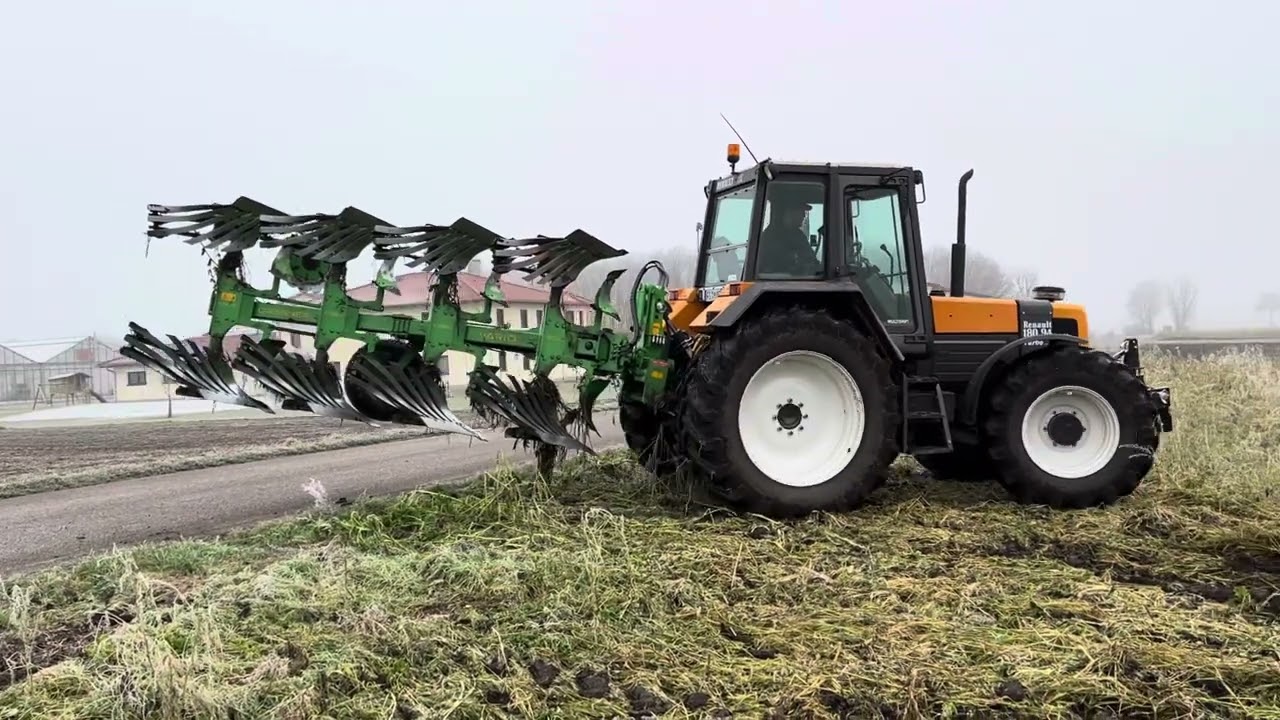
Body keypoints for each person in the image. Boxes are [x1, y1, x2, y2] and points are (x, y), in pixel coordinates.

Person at [756, 192, 822, 277]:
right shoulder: (771, 238)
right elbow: (786, 268)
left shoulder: (798, 235)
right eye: (801, 211)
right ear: (788, 212)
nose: (803, 215)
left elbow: (811, 261)